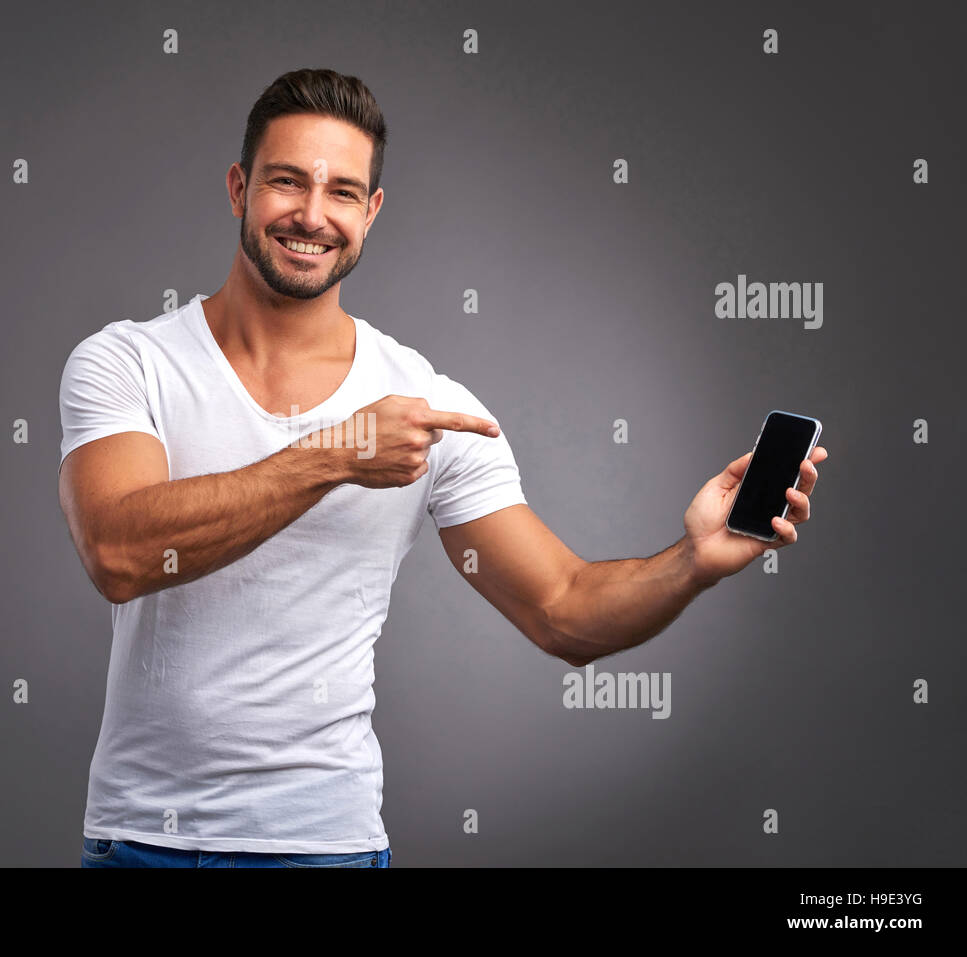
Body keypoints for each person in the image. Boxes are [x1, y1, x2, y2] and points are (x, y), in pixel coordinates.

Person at [58, 68, 826, 869]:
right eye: (286, 182)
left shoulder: (426, 404)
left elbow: (562, 610)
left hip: (328, 846)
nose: (312, 215)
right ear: (238, 188)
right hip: (143, 837)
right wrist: (337, 453)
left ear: (371, 212)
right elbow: (120, 552)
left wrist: (693, 561)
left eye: (343, 192)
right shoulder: (127, 362)